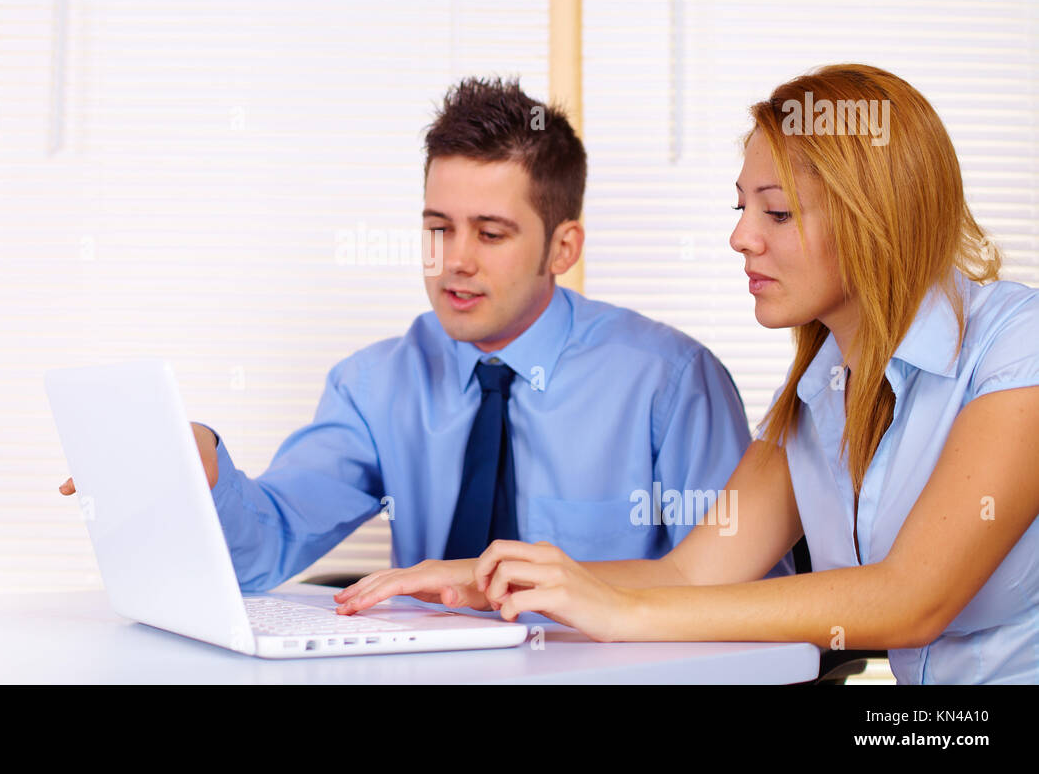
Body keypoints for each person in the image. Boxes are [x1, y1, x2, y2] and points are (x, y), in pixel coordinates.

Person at [340, 64, 1039, 684]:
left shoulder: (1016, 344)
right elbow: (690, 573)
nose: (741, 236)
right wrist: (481, 578)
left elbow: (910, 601)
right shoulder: (817, 391)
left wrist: (619, 614)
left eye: (778, 212)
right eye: (743, 207)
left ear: (875, 218)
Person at [61, 77, 793, 599]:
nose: (456, 261)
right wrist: (203, 468)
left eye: (492, 233)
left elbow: (739, 592)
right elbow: (265, 546)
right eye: (438, 228)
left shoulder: (667, 379)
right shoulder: (375, 385)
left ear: (563, 248)